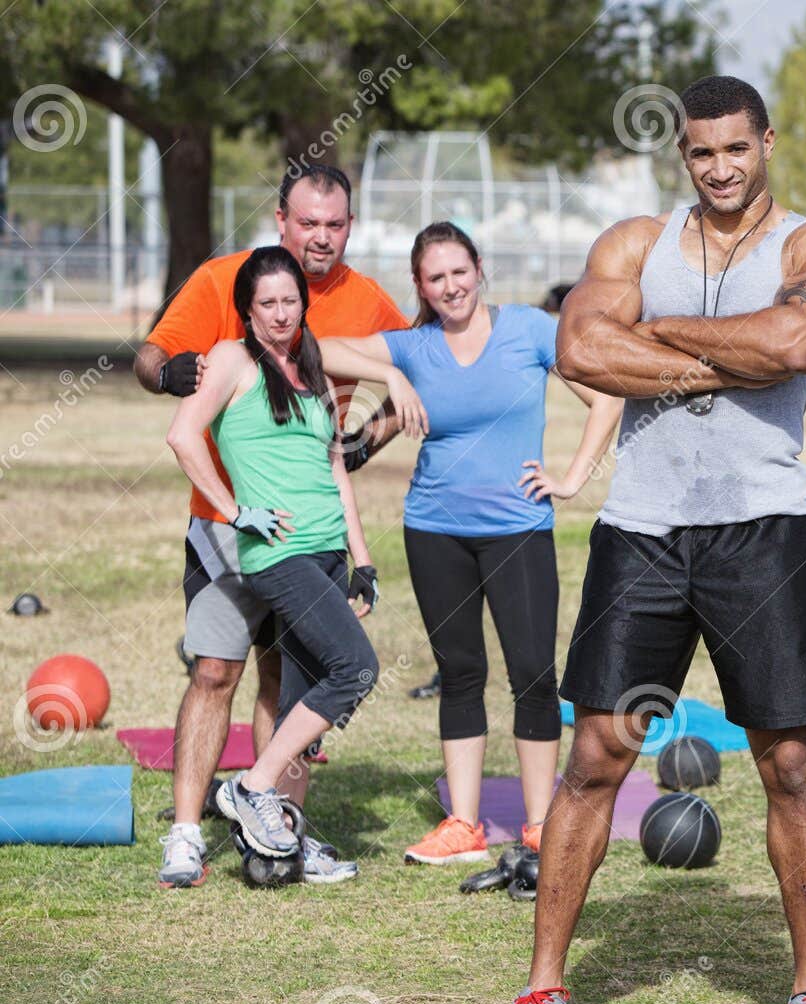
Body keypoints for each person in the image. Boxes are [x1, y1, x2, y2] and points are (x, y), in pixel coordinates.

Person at [487, 76, 806, 1004]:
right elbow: (579, 344)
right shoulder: (630, 244)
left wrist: (651, 339)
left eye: (735, 149)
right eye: (701, 153)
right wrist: (731, 359)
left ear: (767, 143)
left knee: (790, 764)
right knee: (594, 761)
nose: (719, 168)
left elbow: (796, 341)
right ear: (683, 157)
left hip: (764, 532)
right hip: (643, 529)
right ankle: (541, 991)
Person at [138, 164, 419, 889]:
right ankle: (186, 832)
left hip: (314, 528)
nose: (321, 236)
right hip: (230, 527)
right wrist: (177, 376)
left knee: (288, 684)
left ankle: (281, 830)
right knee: (215, 670)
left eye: (335, 224)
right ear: (281, 221)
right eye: (308, 223)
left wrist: (365, 441)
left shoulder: (363, 302)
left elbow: (412, 373)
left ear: (348, 226)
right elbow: (151, 361)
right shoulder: (232, 282)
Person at [320, 222, 621, 867]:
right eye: (435, 278)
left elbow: (605, 401)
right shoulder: (414, 347)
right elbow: (314, 347)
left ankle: (541, 826)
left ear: (479, 268)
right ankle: (463, 823)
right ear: (421, 286)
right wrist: (390, 377)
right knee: (460, 674)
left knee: (533, 676)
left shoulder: (530, 331)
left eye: (459, 272)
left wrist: (570, 477)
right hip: (434, 530)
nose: (450, 287)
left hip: (518, 530)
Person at [166, 247, 379, 873]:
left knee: (299, 697)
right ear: (248, 311)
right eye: (268, 304)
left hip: (328, 550)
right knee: (355, 669)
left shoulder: (310, 366)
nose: (282, 313)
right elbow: (182, 436)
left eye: (291, 301)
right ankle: (251, 786)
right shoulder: (232, 359)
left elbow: (333, 464)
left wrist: (361, 559)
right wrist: (234, 512)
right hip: (277, 552)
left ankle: (287, 831)